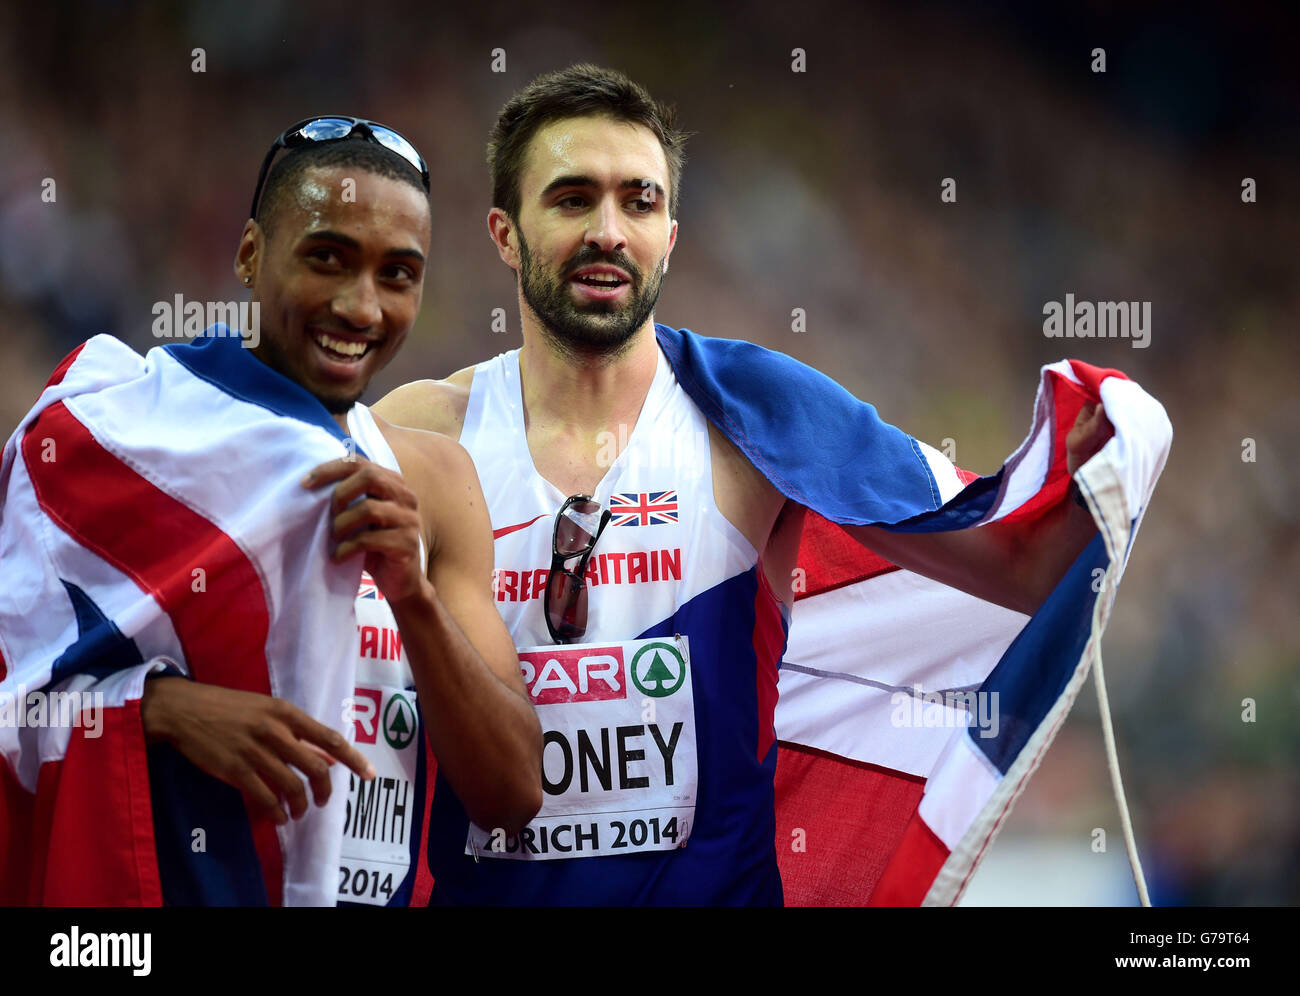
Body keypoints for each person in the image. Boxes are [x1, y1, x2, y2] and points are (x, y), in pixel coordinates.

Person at [369, 65, 1120, 905]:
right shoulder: (421, 433)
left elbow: (1018, 565)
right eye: (573, 199)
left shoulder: (755, 411)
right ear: (505, 234)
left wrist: (1105, 470)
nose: (609, 231)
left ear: (670, 236)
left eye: (639, 202)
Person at [1, 117, 540, 906]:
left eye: (398, 275)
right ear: (251, 255)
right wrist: (155, 708)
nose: (362, 308)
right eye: (328, 259)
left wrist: (413, 598)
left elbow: (511, 794)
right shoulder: (111, 438)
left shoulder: (431, 479)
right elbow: (15, 698)